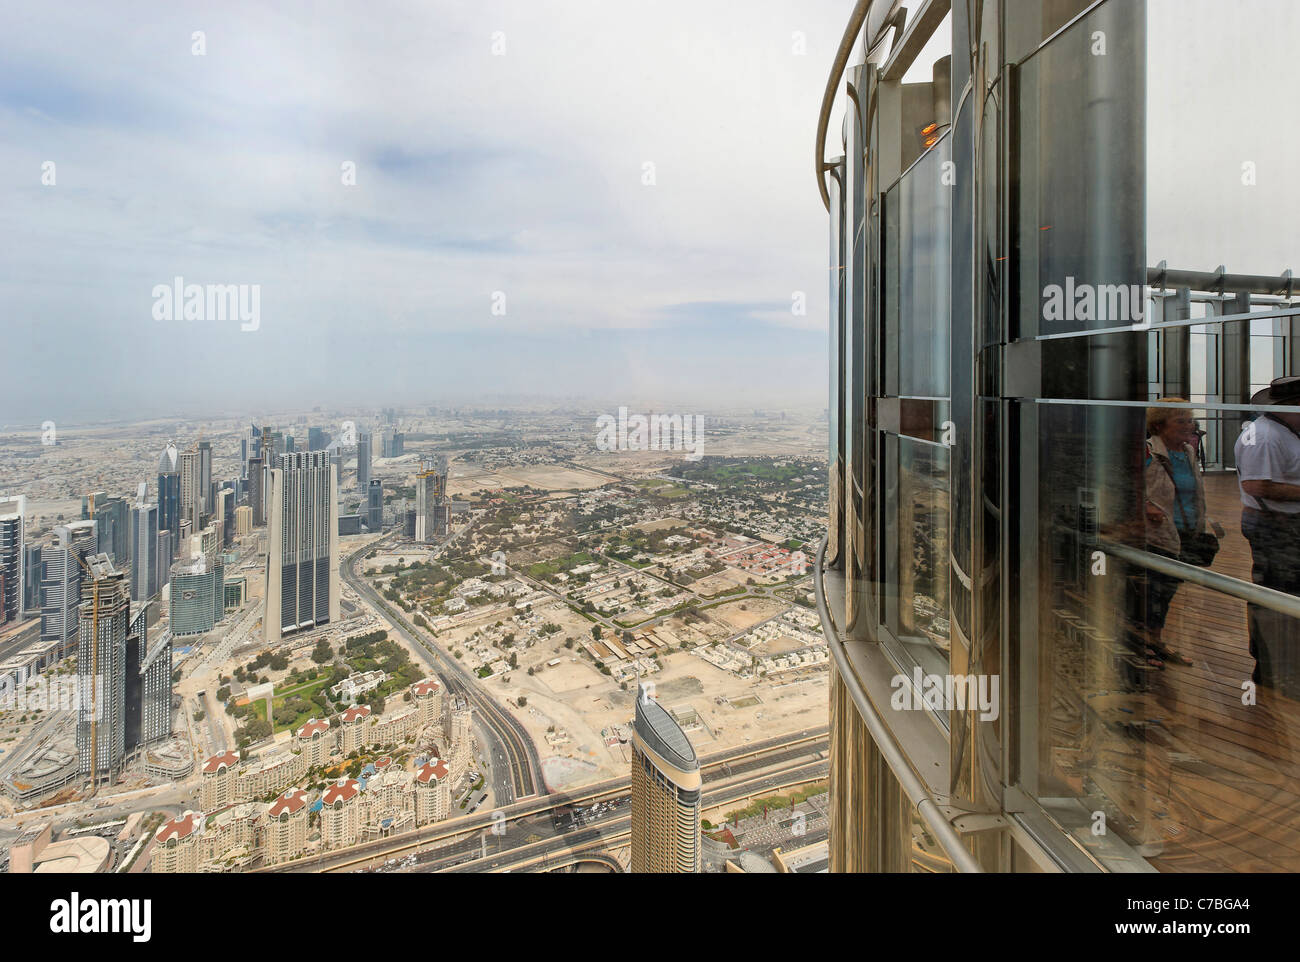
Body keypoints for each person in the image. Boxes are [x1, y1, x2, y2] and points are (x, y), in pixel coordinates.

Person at [1141, 398, 1217, 667]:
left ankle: (1155, 642)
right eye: (1181, 420)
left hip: (1184, 532)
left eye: (1190, 419)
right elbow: (1122, 486)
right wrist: (1146, 505)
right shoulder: (1149, 451)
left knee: (1167, 592)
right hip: (1158, 535)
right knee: (1153, 593)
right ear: (1160, 425)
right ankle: (1146, 645)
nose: (1190, 425)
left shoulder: (1188, 451)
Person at [1235, 376, 1300, 690]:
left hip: (1281, 524)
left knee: (1283, 592)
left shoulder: (1282, 433)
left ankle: (1281, 665)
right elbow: (1257, 485)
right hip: (1274, 525)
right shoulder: (1266, 436)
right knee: (1275, 593)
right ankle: (1272, 668)